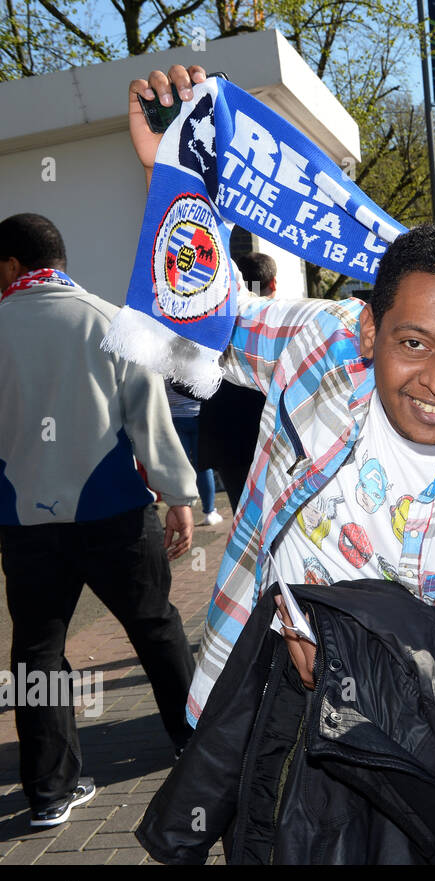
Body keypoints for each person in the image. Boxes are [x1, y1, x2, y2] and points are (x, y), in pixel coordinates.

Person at [127, 68, 435, 859]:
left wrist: (373, 675)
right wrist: (168, 171)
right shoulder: (318, 345)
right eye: (414, 342)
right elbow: (210, 311)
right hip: (267, 726)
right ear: (370, 329)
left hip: (430, 773)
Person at [0, 212, 200, 827]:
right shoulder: (112, 321)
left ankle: (50, 794)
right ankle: (196, 746)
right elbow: (149, 421)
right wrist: (180, 495)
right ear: (59, 259)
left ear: (10, 265)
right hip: (114, 509)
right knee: (157, 628)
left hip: (26, 519)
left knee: (37, 654)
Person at [198, 252, 275, 512]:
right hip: (270, 440)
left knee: (244, 520)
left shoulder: (214, 322)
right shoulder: (279, 324)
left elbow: (183, 380)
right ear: (273, 284)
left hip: (227, 441)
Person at [166, 380, 220, 526]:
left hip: (175, 417)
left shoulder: (164, 361)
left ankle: (182, 510)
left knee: (180, 467)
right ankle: (209, 511)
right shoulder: (197, 358)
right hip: (199, 415)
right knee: (203, 466)